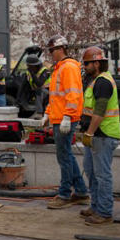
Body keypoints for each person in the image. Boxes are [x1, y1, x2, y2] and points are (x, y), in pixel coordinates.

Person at [41, 35, 89, 209]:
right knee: (66, 155)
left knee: (64, 157)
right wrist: (47, 114)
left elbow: (73, 95)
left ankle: (65, 194)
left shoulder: (68, 67)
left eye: (52, 51)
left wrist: (67, 117)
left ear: (61, 49)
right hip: (60, 118)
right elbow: (56, 97)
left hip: (64, 119)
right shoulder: (60, 68)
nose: (51, 54)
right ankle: (81, 192)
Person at [80, 46, 120, 225]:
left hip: (103, 135)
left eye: (87, 63)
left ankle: (104, 213)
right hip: (95, 136)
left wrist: (89, 132)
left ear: (96, 63)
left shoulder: (103, 82)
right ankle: (95, 206)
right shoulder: (94, 81)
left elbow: (100, 111)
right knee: (91, 171)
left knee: (103, 175)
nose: (85, 66)